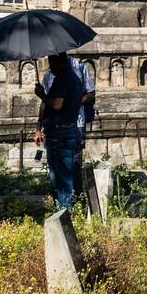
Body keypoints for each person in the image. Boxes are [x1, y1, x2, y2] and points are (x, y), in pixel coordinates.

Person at [33, 53, 96, 210]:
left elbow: (56, 105)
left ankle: (64, 211)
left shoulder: (63, 78)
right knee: (63, 174)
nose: (50, 66)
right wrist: (39, 127)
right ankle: (64, 207)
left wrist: (42, 95)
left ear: (57, 63)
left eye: (51, 62)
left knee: (61, 177)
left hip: (60, 133)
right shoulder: (73, 78)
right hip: (67, 129)